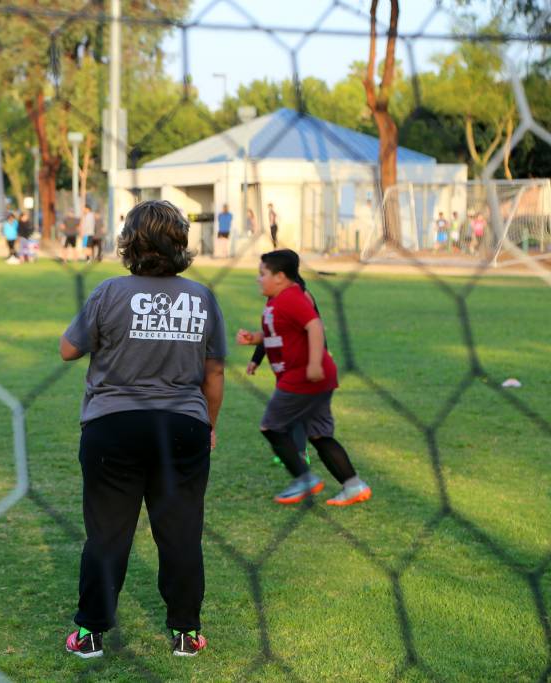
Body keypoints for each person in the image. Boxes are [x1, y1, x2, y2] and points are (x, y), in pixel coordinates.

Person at [60, 199, 226, 659]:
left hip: (113, 427)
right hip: (183, 428)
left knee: (108, 533)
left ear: (129, 241)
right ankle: (186, 634)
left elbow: (67, 350)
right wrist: (207, 425)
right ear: (180, 244)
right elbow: (214, 373)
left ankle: (90, 632)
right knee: (181, 533)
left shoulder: (109, 292)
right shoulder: (201, 297)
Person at [236, 249, 370, 506]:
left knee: (271, 426)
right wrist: (253, 339)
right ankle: (354, 486)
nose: (257, 279)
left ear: (280, 277)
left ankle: (304, 479)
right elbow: (280, 332)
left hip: (303, 378)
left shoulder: (292, 298)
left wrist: (314, 364)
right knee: (319, 434)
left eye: (262, 274)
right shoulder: (276, 300)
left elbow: (315, 325)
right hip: (308, 378)